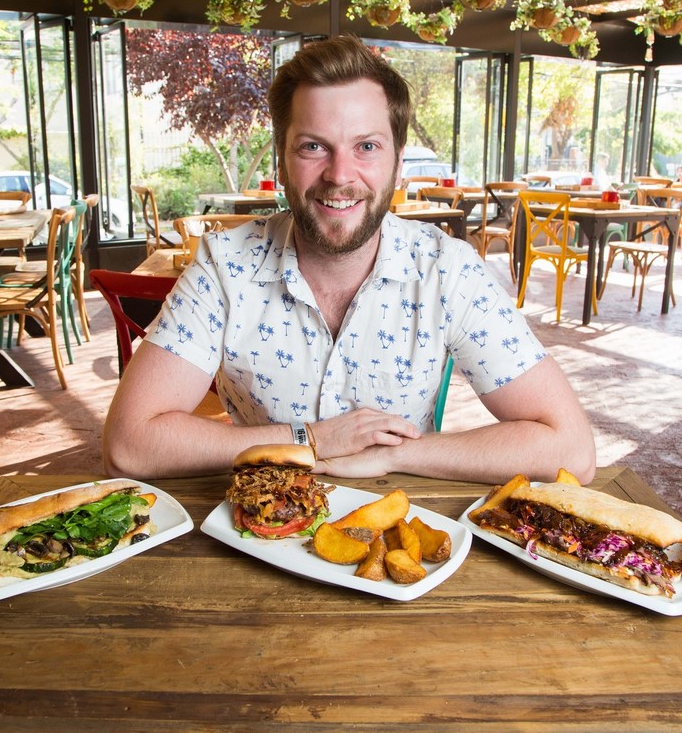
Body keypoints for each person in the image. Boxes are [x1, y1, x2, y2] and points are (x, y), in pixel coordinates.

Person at [103, 35, 595, 485]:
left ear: (398, 163)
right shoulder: (224, 266)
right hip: (254, 533)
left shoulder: (449, 270)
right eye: (313, 146)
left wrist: (395, 455)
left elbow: (571, 449)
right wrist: (311, 442)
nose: (341, 175)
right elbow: (129, 446)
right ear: (281, 159)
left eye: (367, 147)